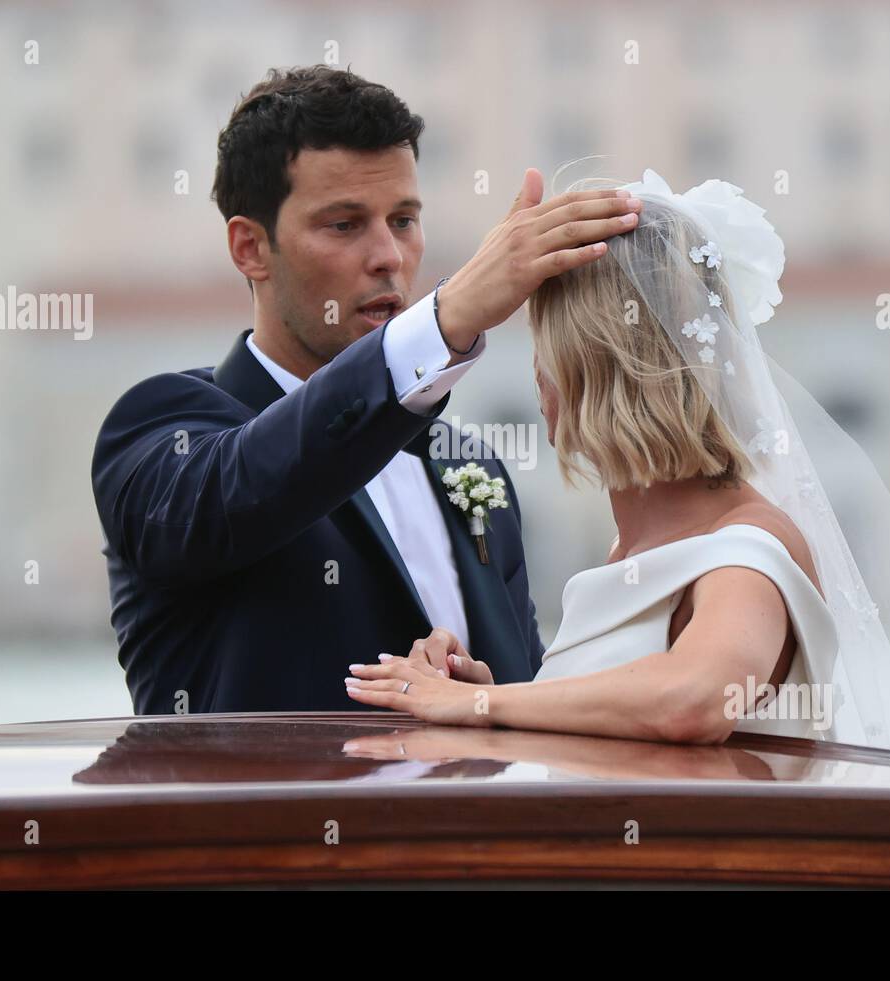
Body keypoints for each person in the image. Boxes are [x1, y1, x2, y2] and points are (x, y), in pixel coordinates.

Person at [347, 167, 890, 771]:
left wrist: (480, 703)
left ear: (586, 370)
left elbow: (698, 698)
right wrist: (495, 690)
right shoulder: (634, 548)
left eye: (545, 343)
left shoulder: (745, 551)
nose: (536, 372)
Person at [90, 66, 641, 714]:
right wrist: (445, 318)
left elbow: (527, 697)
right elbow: (255, 480)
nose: (387, 255)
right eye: (344, 225)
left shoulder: (471, 465)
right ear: (250, 248)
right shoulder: (158, 429)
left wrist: (490, 706)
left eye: (404, 220)